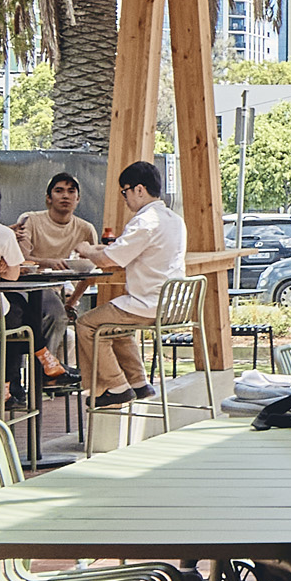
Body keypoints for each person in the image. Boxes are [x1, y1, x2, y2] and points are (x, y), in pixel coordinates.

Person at [72, 160, 185, 408]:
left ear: (139, 189)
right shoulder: (173, 219)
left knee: (86, 324)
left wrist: (87, 250)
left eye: (125, 192)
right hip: (173, 305)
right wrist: (98, 250)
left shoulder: (145, 221)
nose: (125, 198)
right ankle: (138, 383)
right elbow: (124, 249)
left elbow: (108, 260)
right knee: (114, 325)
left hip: (148, 305)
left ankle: (115, 387)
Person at [11, 170, 92, 376]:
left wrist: (72, 301)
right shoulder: (30, 220)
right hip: (25, 288)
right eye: (59, 191)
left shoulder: (85, 228)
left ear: (78, 198)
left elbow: (90, 269)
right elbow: (21, 260)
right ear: (49, 198)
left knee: (61, 314)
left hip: (57, 290)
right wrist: (48, 262)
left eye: (71, 191)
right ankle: (43, 374)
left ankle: (46, 374)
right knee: (54, 314)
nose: (65, 196)